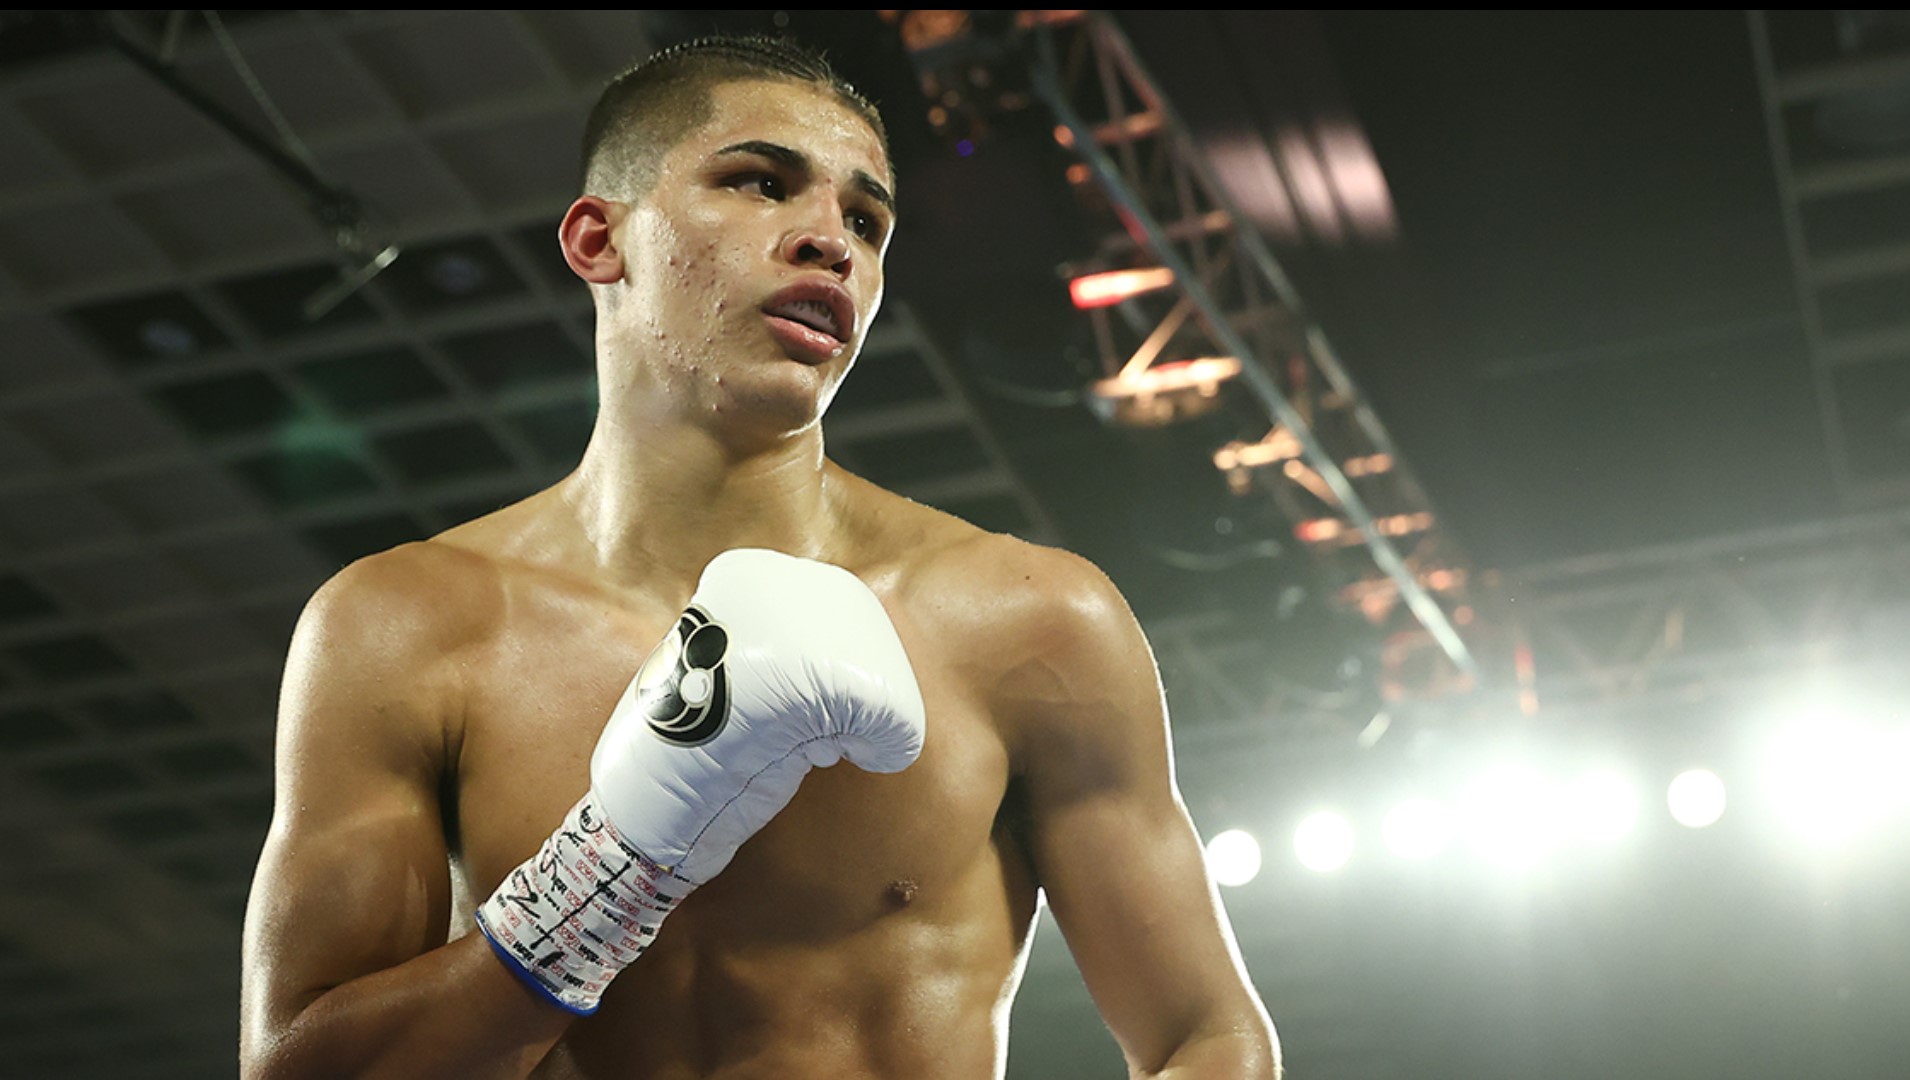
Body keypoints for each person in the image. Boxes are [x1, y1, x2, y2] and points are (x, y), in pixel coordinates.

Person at [239, 34, 1279, 1080]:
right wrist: (609, 873)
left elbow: (1209, 1039)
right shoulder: (406, 625)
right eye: (761, 182)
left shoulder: (1027, 618)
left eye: (867, 220)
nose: (830, 238)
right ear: (602, 239)